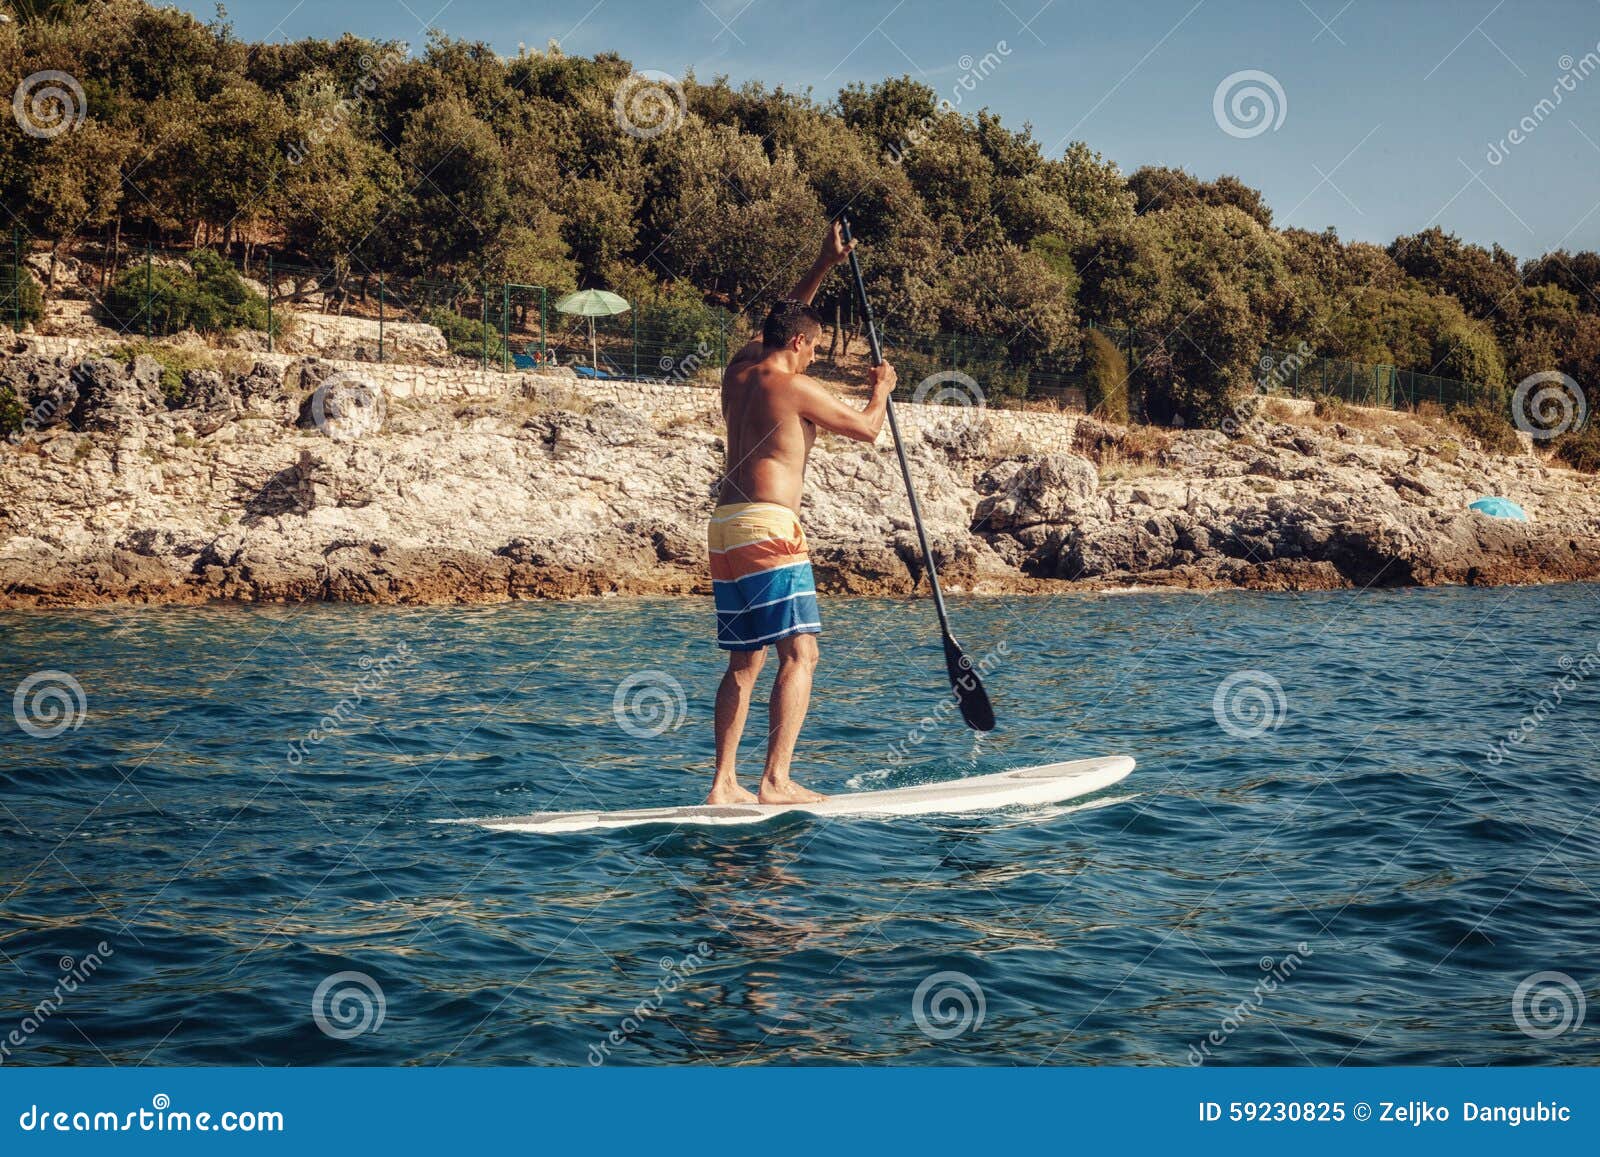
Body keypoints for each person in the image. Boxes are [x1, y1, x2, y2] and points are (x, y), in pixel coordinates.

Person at [706, 222, 897, 805]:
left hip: (725, 527)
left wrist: (823, 264)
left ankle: (724, 785)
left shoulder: (739, 370)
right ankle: (775, 781)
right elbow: (867, 429)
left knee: (745, 661)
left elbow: (781, 318)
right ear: (796, 343)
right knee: (802, 653)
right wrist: (882, 388)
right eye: (812, 348)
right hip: (769, 526)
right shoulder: (792, 387)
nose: (813, 357)